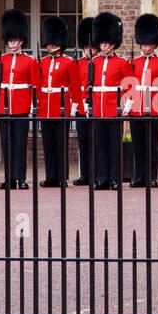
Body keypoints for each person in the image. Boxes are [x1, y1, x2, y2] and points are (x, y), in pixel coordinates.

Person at [0, 9, 39, 191]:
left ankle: (21, 178)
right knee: (7, 145)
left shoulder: (30, 61)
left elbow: (35, 85)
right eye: (10, 41)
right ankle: (9, 178)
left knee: (20, 145)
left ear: (21, 41)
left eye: (15, 41)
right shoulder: (2, 59)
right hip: (4, 106)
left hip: (21, 107)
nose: (12, 44)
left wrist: (34, 106)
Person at [37, 15, 82, 187]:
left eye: (53, 42)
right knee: (48, 144)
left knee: (61, 143)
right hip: (45, 108)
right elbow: (39, 85)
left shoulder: (68, 63)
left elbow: (75, 87)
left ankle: (62, 176)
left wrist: (74, 106)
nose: (50, 45)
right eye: (48, 42)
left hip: (61, 107)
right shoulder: (43, 62)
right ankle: (51, 176)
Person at [88, 12, 131, 190]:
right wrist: (86, 102)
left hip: (114, 108)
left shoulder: (121, 62)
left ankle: (115, 178)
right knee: (100, 145)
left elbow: (129, 85)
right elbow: (88, 85)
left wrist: (127, 103)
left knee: (115, 146)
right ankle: (102, 178)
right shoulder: (94, 62)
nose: (103, 45)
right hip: (98, 108)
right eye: (102, 42)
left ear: (113, 43)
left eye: (106, 43)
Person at [126, 13, 158, 188]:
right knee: (137, 145)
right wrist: (128, 102)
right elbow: (130, 85)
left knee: (151, 144)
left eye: (149, 44)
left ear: (155, 44)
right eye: (143, 44)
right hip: (136, 108)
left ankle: (151, 176)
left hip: (153, 106)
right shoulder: (134, 62)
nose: (145, 47)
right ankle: (139, 176)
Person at [72, 17, 95, 187]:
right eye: (86, 47)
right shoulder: (77, 63)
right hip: (81, 108)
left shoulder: (99, 63)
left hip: (97, 108)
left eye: (91, 47)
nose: (89, 50)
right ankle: (85, 174)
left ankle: (98, 173)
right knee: (83, 143)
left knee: (97, 143)